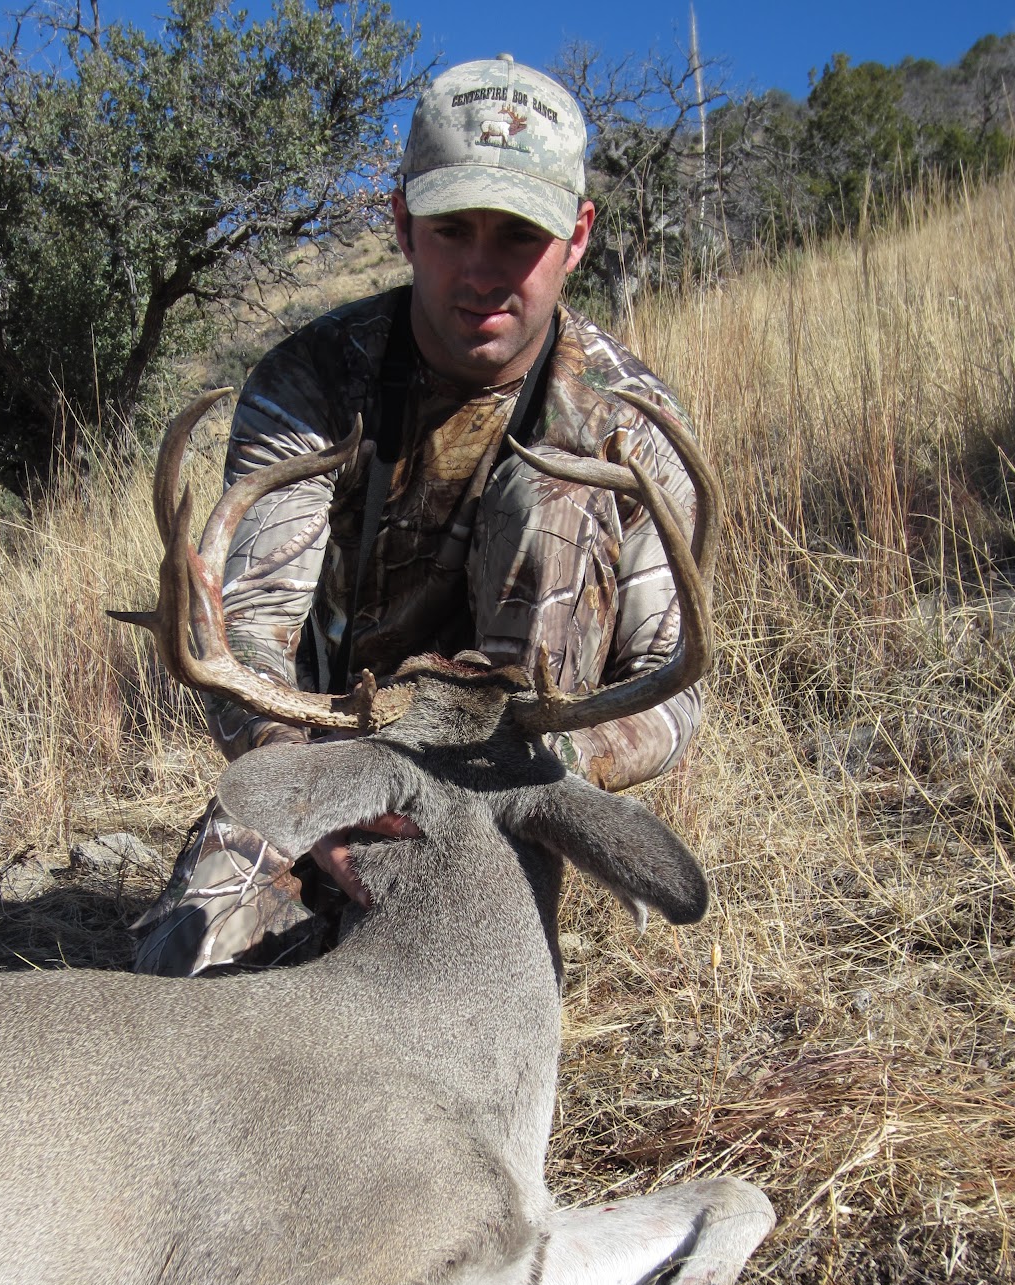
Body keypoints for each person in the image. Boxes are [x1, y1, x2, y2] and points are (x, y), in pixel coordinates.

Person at [134, 53, 704, 977]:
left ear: (579, 235)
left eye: (519, 234)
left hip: (508, 787)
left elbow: (672, 684)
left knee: (555, 490)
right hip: (333, 762)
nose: (482, 272)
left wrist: (552, 778)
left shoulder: (628, 422)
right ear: (401, 222)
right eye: (452, 228)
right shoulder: (312, 383)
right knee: (183, 987)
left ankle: (502, 906)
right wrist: (316, 787)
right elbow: (247, 637)